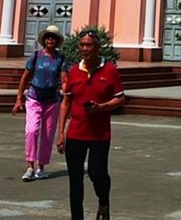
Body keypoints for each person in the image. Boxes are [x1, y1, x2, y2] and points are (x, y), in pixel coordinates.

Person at [57, 28, 124, 220]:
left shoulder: (109, 70)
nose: (85, 48)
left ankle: (103, 202)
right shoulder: (74, 71)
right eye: (82, 45)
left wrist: (101, 107)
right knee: (75, 180)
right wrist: (61, 133)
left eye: (89, 45)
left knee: (97, 174)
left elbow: (120, 100)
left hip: (99, 135)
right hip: (76, 134)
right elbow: (66, 103)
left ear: (97, 47)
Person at [12, 26, 67, 182]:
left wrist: (67, 100)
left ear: (57, 41)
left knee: (47, 135)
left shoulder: (60, 59)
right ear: (44, 40)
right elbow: (24, 78)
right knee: (32, 130)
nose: (50, 40)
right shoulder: (36, 56)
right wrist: (18, 99)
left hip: (52, 100)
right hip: (34, 97)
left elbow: (64, 80)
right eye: (48, 37)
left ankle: (41, 167)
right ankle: (30, 166)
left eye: (53, 38)